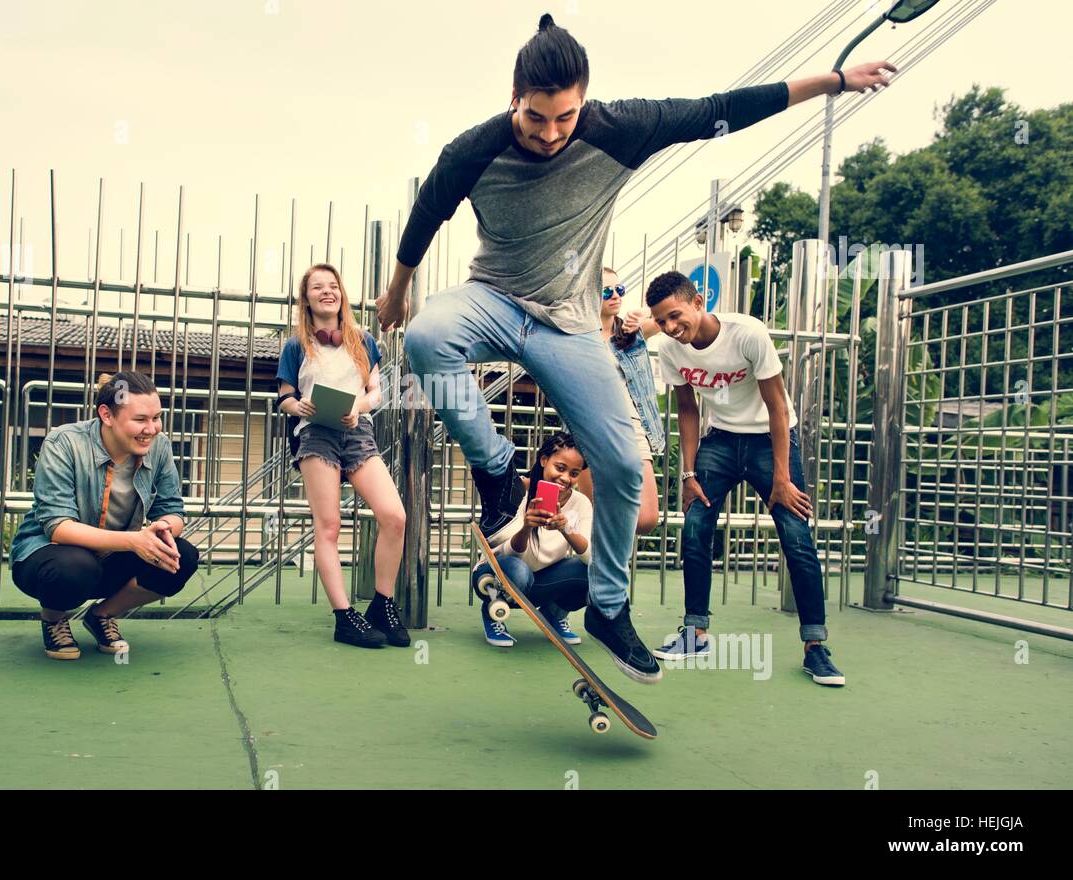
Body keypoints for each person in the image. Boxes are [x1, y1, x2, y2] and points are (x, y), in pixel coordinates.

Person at [376, 13, 893, 683]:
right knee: (425, 336)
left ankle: (609, 608)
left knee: (623, 466)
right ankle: (497, 468)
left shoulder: (621, 128)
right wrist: (398, 290)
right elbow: (426, 215)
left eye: (565, 118)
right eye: (537, 118)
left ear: (583, 100)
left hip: (571, 324)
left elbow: (720, 110)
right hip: (493, 300)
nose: (551, 133)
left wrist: (832, 81)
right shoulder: (472, 150)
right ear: (514, 99)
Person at [644, 270, 844, 686]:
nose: (669, 328)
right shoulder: (669, 348)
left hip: (768, 441)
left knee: (795, 536)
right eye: (661, 321)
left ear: (698, 303)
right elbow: (687, 410)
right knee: (696, 527)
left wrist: (783, 479)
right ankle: (695, 632)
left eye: (675, 315)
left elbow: (778, 408)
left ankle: (816, 647)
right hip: (719, 441)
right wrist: (688, 472)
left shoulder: (747, 334)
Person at [10, 371, 200, 660]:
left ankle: (102, 615)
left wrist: (161, 529)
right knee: (75, 566)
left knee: (181, 556)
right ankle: (53, 619)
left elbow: (173, 509)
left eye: (156, 418)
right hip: (51, 558)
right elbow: (58, 527)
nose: (152, 429)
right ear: (107, 415)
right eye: (140, 420)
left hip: (112, 557)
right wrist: (135, 541)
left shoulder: (158, 447)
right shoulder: (63, 443)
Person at [276, 264, 410, 649]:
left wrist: (358, 406)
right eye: (317, 287)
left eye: (332, 285)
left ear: (341, 293)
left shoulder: (364, 340)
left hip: (357, 430)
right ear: (307, 297)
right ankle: (343, 615)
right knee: (329, 525)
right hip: (316, 432)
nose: (326, 291)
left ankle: (382, 604)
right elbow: (284, 396)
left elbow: (377, 393)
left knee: (394, 516)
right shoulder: (295, 345)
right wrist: (297, 406)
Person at [474, 432, 592, 649]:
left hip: (540, 580)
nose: (566, 478)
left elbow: (589, 556)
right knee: (518, 571)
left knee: (594, 575)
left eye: (574, 473)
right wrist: (527, 527)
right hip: (497, 573)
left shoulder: (580, 503)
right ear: (544, 460)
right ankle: (493, 612)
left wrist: (566, 528)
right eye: (560, 468)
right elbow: (505, 554)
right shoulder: (519, 491)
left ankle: (553, 614)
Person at [576, 267, 664, 535]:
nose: (615, 296)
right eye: (606, 291)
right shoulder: (577, 337)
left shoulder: (630, 334)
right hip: (590, 428)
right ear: (590, 295)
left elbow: (666, 317)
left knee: (647, 518)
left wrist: (644, 314)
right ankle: (600, 572)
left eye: (619, 289)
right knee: (595, 516)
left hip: (633, 426)